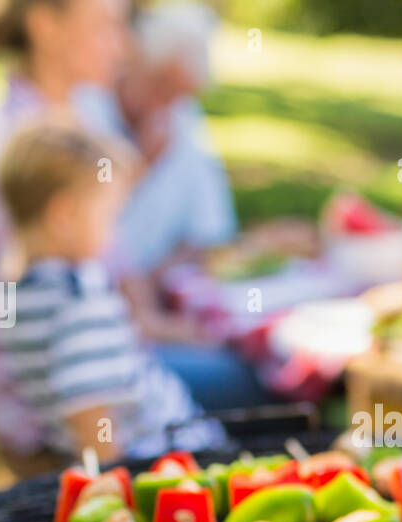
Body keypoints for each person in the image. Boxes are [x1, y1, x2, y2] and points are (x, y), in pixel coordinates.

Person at [0, 0, 130, 456]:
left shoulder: (87, 120)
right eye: (105, 27)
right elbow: (53, 325)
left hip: (100, 374)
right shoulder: (6, 148)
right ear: (45, 25)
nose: (122, 47)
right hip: (42, 412)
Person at [74, 2, 268, 411]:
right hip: (108, 329)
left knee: (262, 364)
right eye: (161, 86)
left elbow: (209, 235)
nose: (168, 106)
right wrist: (139, 167)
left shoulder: (184, 122)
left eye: (179, 94)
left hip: (153, 309)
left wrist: (154, 283)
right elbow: (79, 236)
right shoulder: (82, 112)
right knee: (249, 379)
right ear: (135, 61)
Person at [0, 122, 223, 462]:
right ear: (64, 215)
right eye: (108, 215)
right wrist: (112, 487)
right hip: (168, 465)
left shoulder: (19, 290)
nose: (112, 233)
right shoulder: (80, 301)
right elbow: (90, 411)